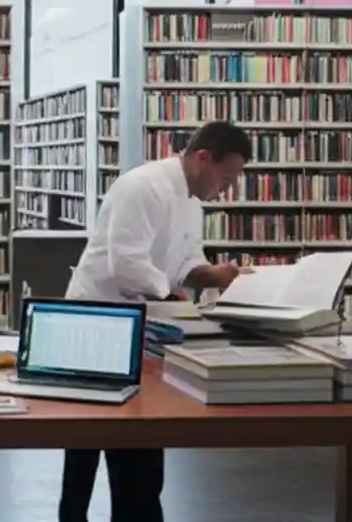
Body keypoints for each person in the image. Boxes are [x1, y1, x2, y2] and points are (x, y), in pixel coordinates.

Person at [57, 120, 252, 522]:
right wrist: (171, 297)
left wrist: (211, 274)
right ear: (202, 158)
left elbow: (182, 261)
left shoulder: (190, 199)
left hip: (140, 325)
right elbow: (128, 265)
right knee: (85, 448)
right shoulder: (143, 186)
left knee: (136, 443)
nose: (228, 187)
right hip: (97, 320)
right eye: (227, 176)